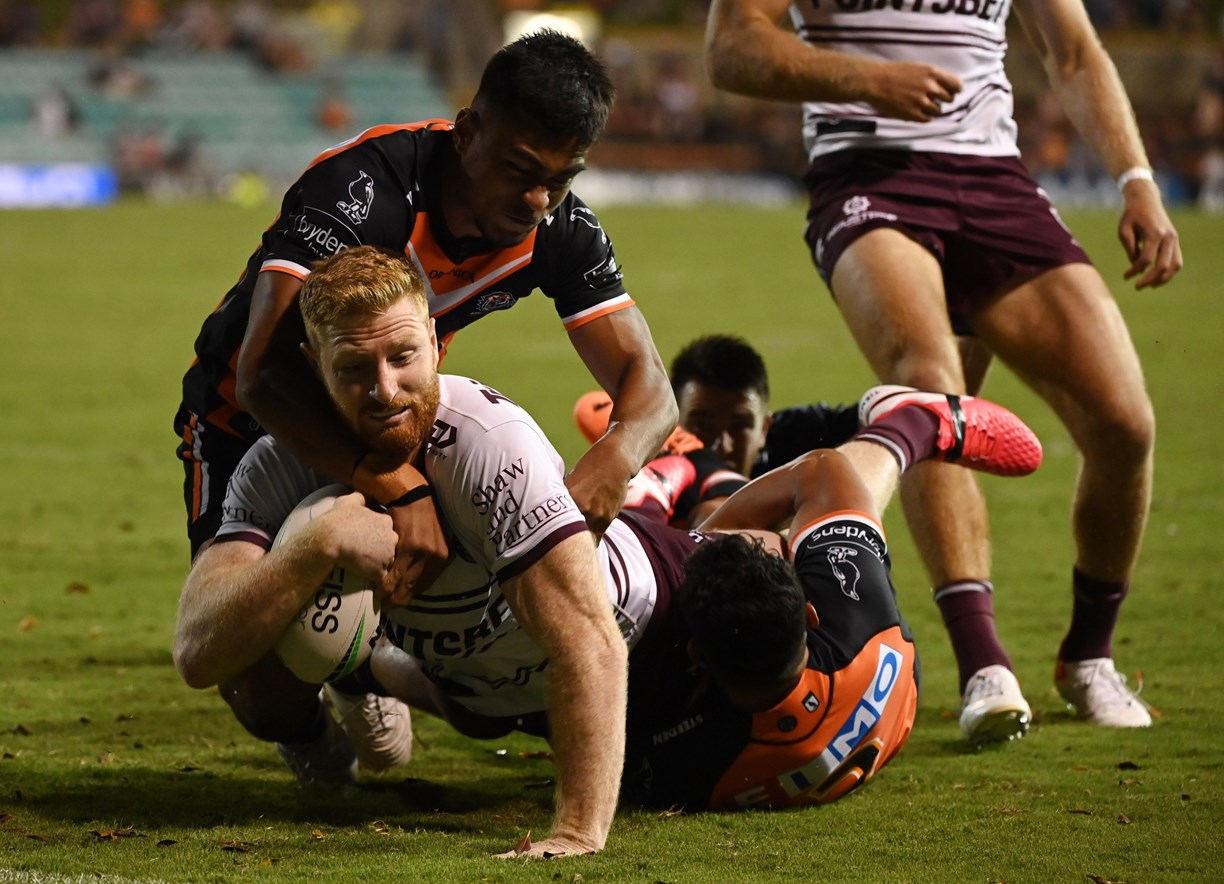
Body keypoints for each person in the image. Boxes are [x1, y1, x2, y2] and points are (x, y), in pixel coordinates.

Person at [172, 30, 675, 767]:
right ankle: (315, 729)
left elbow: (651, 388)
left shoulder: (556, 228)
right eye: (520, 170)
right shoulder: (360, 191)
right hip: (243, 422)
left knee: (423, 586)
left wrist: (616, 456)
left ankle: (370, 661)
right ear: (469, 130)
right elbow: (264, 373)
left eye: (561, 180)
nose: (537, 200)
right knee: (257, 681)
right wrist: (398, 486)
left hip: (386, 414)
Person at [703, 0, 1180, 742]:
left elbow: (1075, 51)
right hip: (868, 173)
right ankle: (984, 662)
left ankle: (1089, 655)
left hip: (995, 182)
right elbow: (731, 47)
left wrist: (1137, 179)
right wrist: (867, 79)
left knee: (1124, 422)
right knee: (927, 385)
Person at [371, 378, 1043, 815]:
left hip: (864, 687)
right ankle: (914, 424)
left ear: (693, 654)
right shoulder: (855, 627)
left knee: (488, 700)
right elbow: (824, 470)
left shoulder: (675, 756)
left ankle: (676, 477)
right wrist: (704, 545)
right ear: (810, 609)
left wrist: (692, 545)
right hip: (879, 683)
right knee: (842, 494)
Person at [174, 245, 628, 859]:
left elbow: (594, 646)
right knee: (252, 681)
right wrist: (314, 545)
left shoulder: (491, 444)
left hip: (640, 644)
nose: (385, 390)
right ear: (313, 366)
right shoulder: (276, 467)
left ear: (436, 343)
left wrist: (576, 834)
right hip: (467, 685)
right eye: (355, 367)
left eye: (403, 357)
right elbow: (198, 653)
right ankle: (348, 698)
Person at [574, 333, 860, 527]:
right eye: (701, 423)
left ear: (764, 430)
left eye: (740, 427)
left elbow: (888, 409)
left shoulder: (796, 441)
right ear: (668, 421)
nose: (722, 445)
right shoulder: (643, 466)